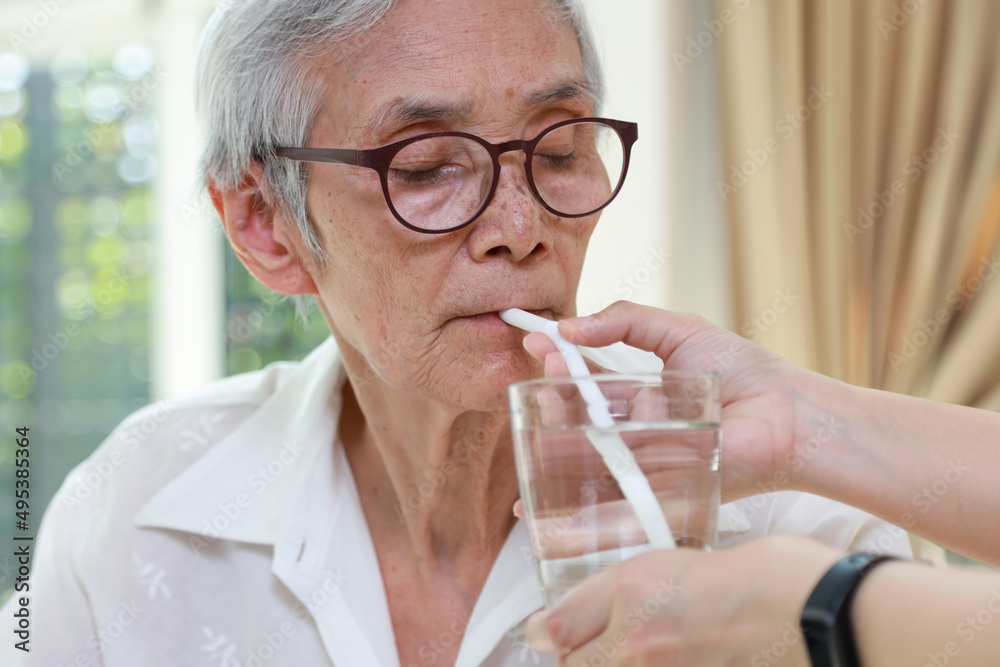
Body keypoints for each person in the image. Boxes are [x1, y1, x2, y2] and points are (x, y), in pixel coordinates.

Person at [1, 1, 908, 665]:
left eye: (560, 149)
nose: (520, 225)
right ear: (264, 224)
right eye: (428, 165)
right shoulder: (132, 510)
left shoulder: (787, 519)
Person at [519, 301, 1000, 666]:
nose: (521, 231)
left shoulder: (811, 523)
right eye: (439, 168)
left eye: (561, 164)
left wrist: (805, 610)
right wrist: (793, 421)